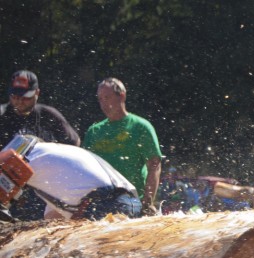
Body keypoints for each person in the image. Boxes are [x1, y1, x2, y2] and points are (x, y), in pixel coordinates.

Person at [0, 70, 81, 221]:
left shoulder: (48, 115)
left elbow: (74, 144)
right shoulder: (2, 115)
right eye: (15, 96)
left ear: (37, 93)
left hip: (43, 190)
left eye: (25, 97)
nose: (19, 101)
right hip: (8, 191)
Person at [1, 134, 140, 220]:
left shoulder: (28, 158)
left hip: (106, 203)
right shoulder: (52, 166)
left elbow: (6, 166)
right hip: (128, 201)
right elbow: (53, 220)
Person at [83, 78, 162, 215]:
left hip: (131, 198)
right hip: (99, 199)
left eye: (107, 97)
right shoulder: (94, 131)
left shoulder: (140, 127)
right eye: (100, 99)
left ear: (122, 95)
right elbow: (84, 170)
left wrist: (147, 203)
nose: (103, 104)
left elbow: (154, 167)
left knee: (121, 207)